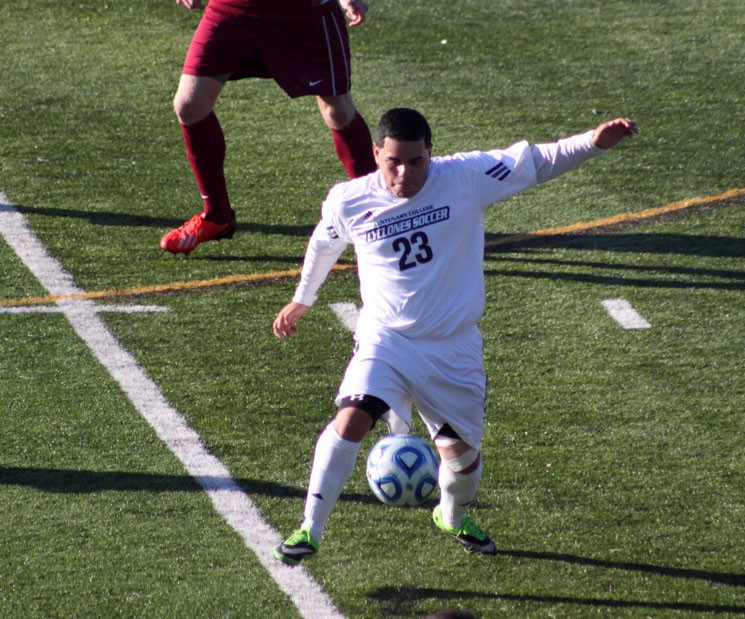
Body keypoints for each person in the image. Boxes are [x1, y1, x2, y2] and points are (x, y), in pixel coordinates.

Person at [272, 108, 638, 565]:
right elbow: (324, 242)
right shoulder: (349, 200)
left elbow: (537, 161)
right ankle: (311, 527)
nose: (404, 173)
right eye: (392, 162)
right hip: (387, 339)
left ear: (431, 152)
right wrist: (302, 298)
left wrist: (593, 142)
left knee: (463, 460)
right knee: (350, 420)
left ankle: (452, 515)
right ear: (376, 155)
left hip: (453, 347)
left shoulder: (464, 176)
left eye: (416, 161)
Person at [160, 0, 377, 255]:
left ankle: (378, 212)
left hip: (304, 13)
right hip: (233, 8)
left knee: (337, 110)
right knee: (189, 104)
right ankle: (217, 216)